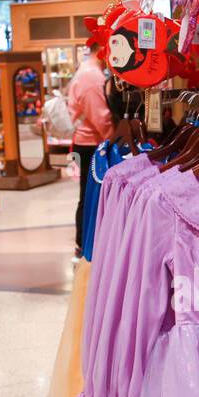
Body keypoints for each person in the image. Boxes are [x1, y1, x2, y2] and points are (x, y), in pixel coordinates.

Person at [66, 51, 113, 259]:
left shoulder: (87, 71)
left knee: (85, 195)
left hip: (82, 143)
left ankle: (83, 243)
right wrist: (117, 141)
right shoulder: (91, 77)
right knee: (88, 196)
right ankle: (83, 244)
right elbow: (101, 118)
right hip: (89, 145)